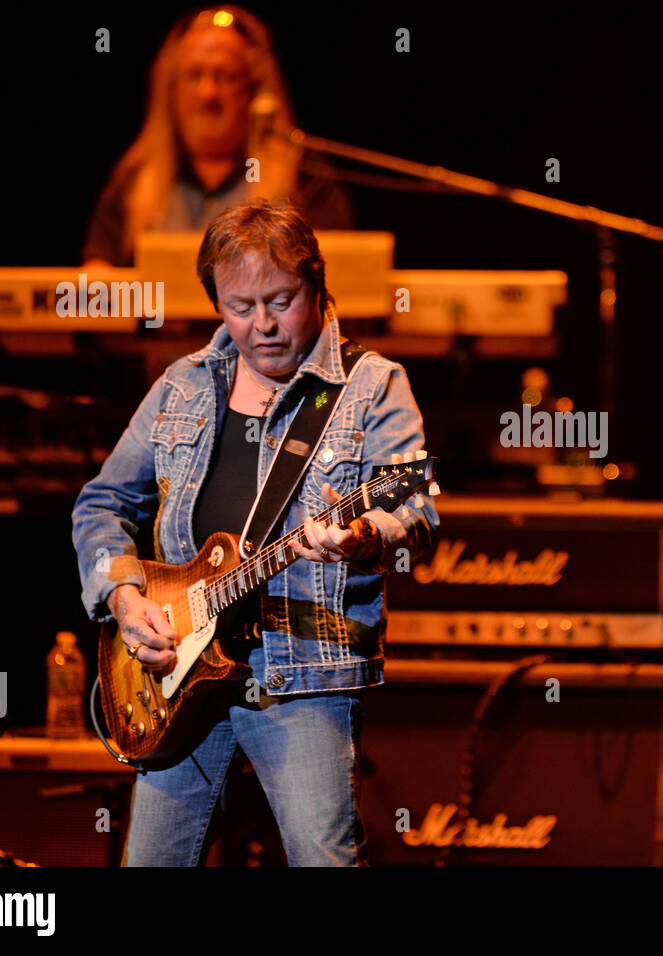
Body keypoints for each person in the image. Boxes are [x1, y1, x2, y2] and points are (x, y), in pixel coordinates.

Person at [71, 199, 437, 865]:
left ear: (317, 284)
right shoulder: (182, 385)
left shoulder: (371, 386)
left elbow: (414, 507)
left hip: (302, 676)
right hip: (174, 672)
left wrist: (362, 536)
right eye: (241, 306)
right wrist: (124, 598)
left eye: (282, 300)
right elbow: (101, 502)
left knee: (323, 859)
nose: (262, 325)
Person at [83, 6, 354, 268]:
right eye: (194, 75)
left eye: (225, 77)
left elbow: (341, 277)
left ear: (255, 91)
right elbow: (96, 285)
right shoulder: (134, 180)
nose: (208, 93)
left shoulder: (301, 175)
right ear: (171, 90)